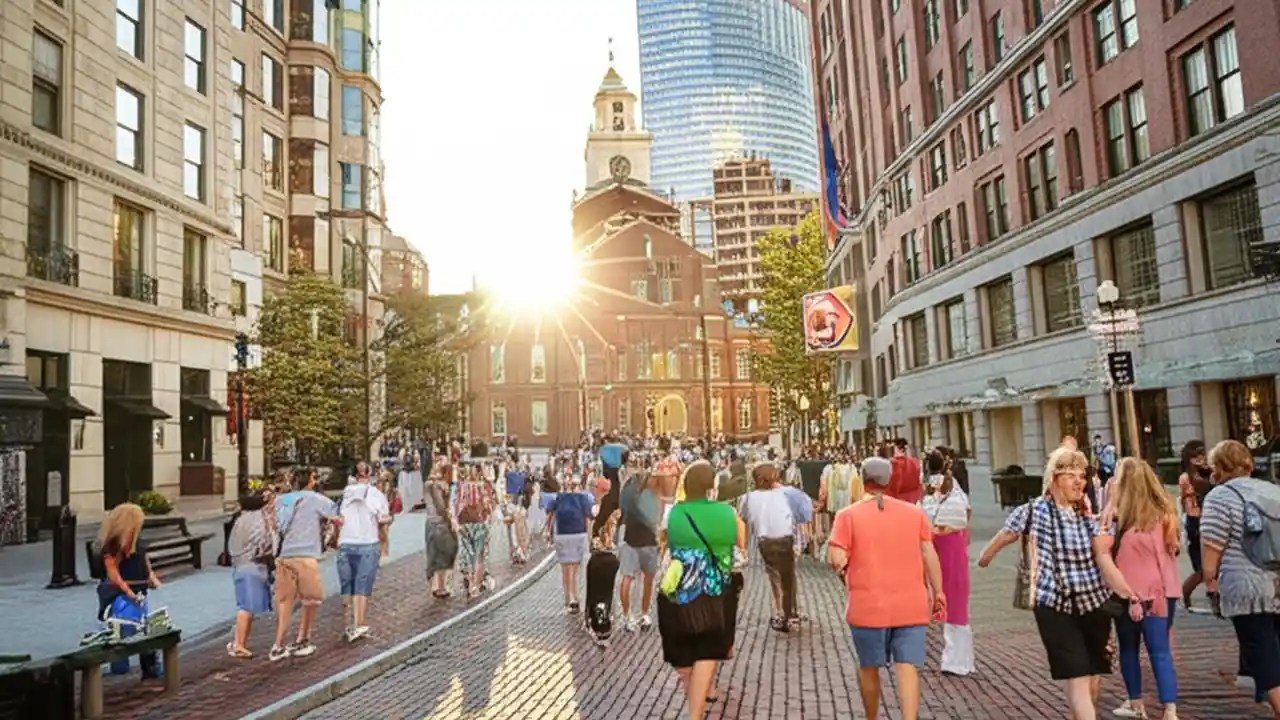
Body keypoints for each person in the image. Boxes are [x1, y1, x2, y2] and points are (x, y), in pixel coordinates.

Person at [978, 447, 1133, 720]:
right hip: (1054, 604)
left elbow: (1105, 551)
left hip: (1094, 602)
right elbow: (1005, 535)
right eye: (1071, 475)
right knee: (1077, 674)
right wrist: (984, 558)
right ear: (1054, 479)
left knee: (1092, 676)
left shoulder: (1088, 513)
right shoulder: (1033, 510)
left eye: (1082, 475)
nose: (1079, 481)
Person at [827, 457, 944, 720]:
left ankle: (871, 717)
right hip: (911, 602)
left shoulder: (847, 516)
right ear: (890, 480)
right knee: (908, 667)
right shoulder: (915, 514)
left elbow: (836, 557)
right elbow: (929, 552)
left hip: (868, 604)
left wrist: (844, 571)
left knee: (869, 667)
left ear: (863, 479)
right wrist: (939, 591)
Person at [1201, 439, 1280, 715]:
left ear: (1219, 469)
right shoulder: (1273, 491)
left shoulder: (1219, 498)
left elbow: (1211, 553)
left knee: (1261, 651)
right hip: (1276, 579)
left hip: (1245, 587)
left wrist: (1211, 584)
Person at [657, 461, 740, 720]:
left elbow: (671, 543)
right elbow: (736, 542)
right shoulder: (726, 513)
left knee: (682, 653)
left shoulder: (677, 513)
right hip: (715, 589)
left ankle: (693, 695)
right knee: (707, 650)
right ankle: (696, 708)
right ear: (711, 486)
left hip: (681, 590)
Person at [1103, 458, 1181, 720]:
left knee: (1129, 649)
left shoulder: (1118, 520)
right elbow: (1174, 550)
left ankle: (1136, 702)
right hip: (1164, 591)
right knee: (1161, 652)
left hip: (1129, 593)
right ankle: (1170, 708)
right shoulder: (1166, 514)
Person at [271, 469, 343, 662]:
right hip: (305, 554)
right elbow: (338, 515)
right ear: (310, 482)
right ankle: (303, 639)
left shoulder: (281, 500)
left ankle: (278, 646)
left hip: (284, 555)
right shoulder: (314, 498)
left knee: (285, 602)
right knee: (312, 599)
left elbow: (274, 524)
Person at [921, 450, 974, 676]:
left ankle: (957, 660)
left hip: (935, 544)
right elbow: (966, 512)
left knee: (944, 599)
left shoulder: (928, 489)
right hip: (952, 544)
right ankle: (959, 659)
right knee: (957, 602)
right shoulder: (956, 491)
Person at [96, 503, 162, 678]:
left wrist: (151, 577)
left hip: (139, 590)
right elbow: (113, 574)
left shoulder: (136, 543)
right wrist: (127, 591)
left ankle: (149, 666)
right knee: (124, 628)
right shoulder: (114, 546)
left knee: (143, 628)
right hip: (123, 593)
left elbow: (145, 561)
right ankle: (120, 664)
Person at [337, 462, 391, 642]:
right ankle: (358, 623)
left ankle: (347, 623)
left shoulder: (345, 494)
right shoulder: (377, 495)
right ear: (370, 474)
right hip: (368, 542)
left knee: (347, 585)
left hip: (345, 542)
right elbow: (383, 519)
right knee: (361, 585)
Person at [742, 464, 797, 633]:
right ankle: (790, 612)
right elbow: (801, 513)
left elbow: (745, 517)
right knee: (788, 575)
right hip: (786, 537)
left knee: (774, 575)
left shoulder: (749, 497)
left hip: (765, 540)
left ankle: (781, 611)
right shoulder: (786, 494)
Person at [227, 492, 275, 658]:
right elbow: (263, 544)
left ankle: (239, 642)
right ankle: (238, 644)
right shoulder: (257, 520)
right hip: (253, 565)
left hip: (241, 565)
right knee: (246, 607)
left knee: (247, 606)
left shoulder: (240, 519)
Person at [618, 467, 662, 632]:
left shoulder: (628, 501)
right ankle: (644, 613)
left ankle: (627, 615)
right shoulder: (649, 498)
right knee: (648, 580)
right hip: (648, 543)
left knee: (627, 578)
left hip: (631, 542)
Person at [546, 474, 595, 613]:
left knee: (566, 567)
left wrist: (548, 533)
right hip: (578, 533)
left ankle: (569, 596)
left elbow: (550, 513)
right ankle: (573, 596)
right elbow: (589, 516)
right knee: (574, 567)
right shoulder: (583, 498)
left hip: (563, 534)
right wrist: (590, 538)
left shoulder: (559, 497)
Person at [1176, 440, 1212, 612]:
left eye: (1202, 454)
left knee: (1213, 563)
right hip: (1194, 521)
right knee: (1201, 568)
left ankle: (1213, 595)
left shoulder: (1208, 473)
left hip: (1208, 518)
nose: (1200, 458)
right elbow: (1185, 501)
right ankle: (1185, 595)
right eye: (1196, 455)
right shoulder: (1186, 477)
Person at [453, 464, 497, 599]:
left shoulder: (462, 485)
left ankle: (472, 582)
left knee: (469, 554)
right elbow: (491, 505)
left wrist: (457, 523)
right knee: (479, 556)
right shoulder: (484, 485)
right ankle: (475, 586)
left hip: (466, 523)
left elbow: (456, 504)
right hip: (479, 523)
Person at [424, 462, 457, 598]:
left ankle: (435, 584)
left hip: (431, 522)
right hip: (440, 524)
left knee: (435, 553)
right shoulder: (436, 486)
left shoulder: (430, 484)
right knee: (443, 554)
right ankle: (440, 586)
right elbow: (441, 508)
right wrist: (451, 522)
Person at [887, 439, 923, 505]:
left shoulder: (892, 464)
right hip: (914, 499)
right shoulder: (915, 462)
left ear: (898, 449)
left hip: (898, 501)